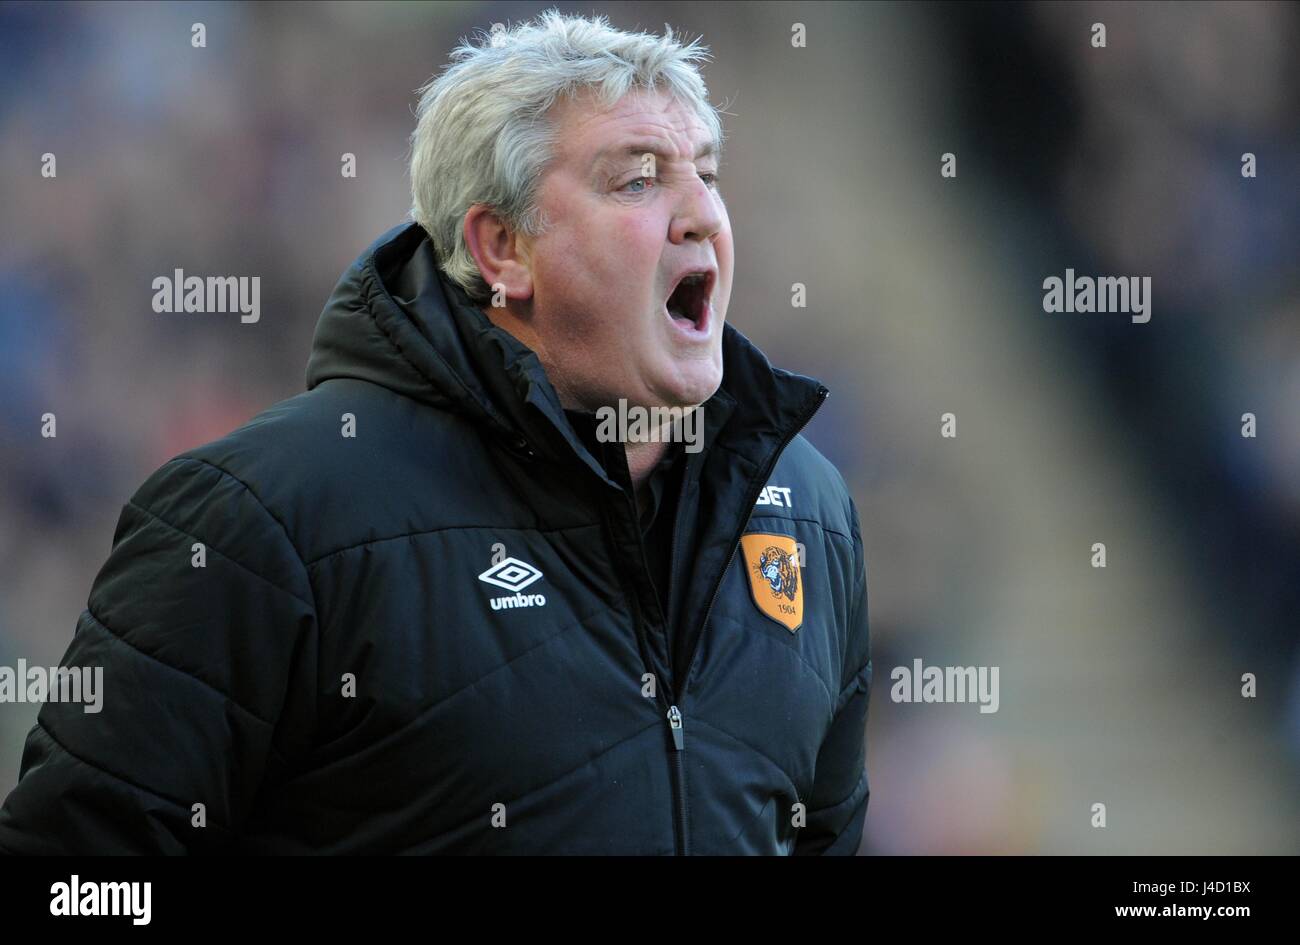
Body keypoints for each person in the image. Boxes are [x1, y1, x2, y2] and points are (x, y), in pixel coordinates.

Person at [0, 10, 871, 855]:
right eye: (637, 179)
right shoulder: (265, 520)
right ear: (501, 249)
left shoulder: (806, 512)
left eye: (707, 175)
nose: (701, 216)